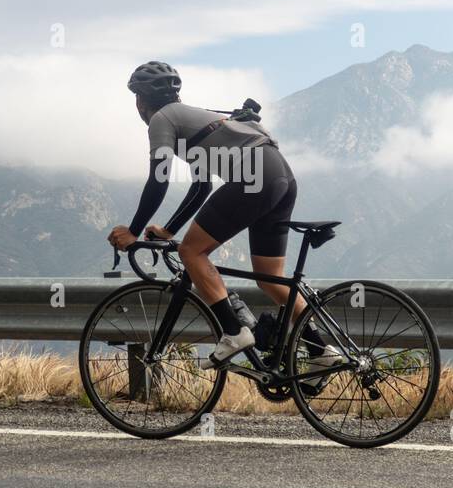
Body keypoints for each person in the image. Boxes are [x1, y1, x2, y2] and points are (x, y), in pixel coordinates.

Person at [107, 61, 337, 368]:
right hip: (280, 176)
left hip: (254, 176)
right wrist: (169, 230)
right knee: (271, 280)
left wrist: (133, 230)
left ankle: (233, 331)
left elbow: (159, 178)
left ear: (140, 101)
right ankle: (321, 351)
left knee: (192, 252)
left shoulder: (162, 119)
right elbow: (201, 187)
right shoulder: (192, 118)